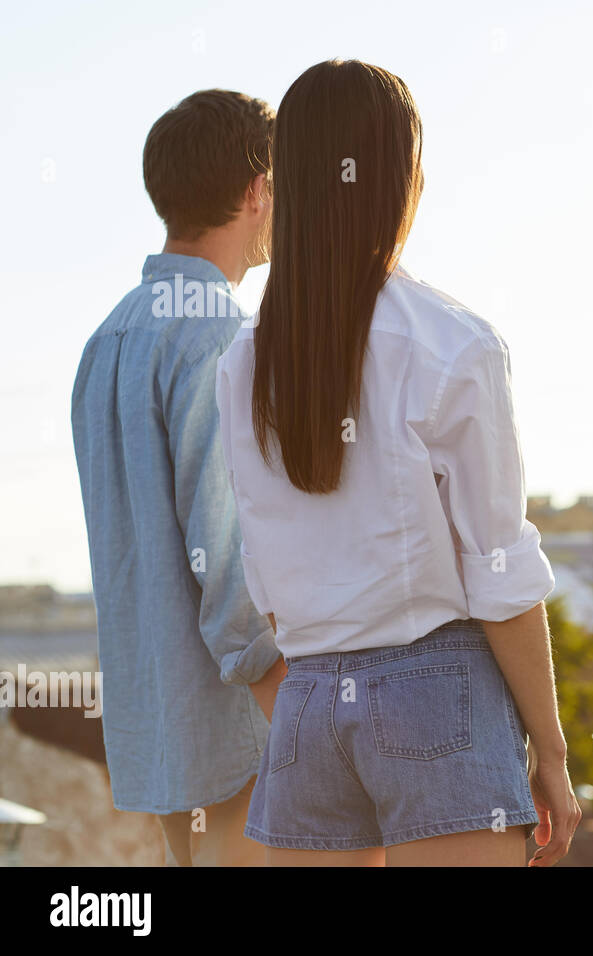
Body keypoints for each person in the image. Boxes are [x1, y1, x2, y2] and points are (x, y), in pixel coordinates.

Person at [216, 60, 581, 867]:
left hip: (306, 704)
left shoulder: (241, 364)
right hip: (435, 694)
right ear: (403, 178)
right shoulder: (454, 343)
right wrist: (551, 755)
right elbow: (501, 571)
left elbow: (266, 585)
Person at [70, 89, 285, 865]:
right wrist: (287, 700)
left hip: (158, 727)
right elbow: (222, 545)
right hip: (238, 727)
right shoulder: (216, 329)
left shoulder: (107, 338)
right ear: (259, 188)